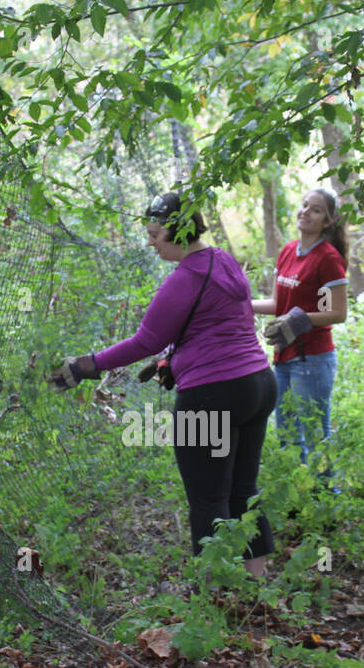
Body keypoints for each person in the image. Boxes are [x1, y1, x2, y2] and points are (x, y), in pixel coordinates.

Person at [50, 192, 277, 575]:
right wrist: (174, 359)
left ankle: (216, 595)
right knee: (243, 491)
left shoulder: (184, 278)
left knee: (209, 499)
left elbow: (145, 340)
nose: (151, 242)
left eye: (155, 234)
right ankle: (257, 587)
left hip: (213, 395)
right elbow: (220, 324)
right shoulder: (223, 260)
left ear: (178, 231)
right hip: (257, 384)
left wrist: (88, 365)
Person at [251, 187, 349, 478]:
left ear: (328, 222)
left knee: (316, 432)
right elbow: (277, 304)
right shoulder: (287, 251)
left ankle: (325, 496)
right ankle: (297, 496)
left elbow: (339, 312)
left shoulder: (328, 258)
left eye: (316, 209)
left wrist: (300, 319)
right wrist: (238, 303)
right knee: (287, 432)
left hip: (313, 360)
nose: (306, 212)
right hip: (283, 356)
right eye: (305, 205)